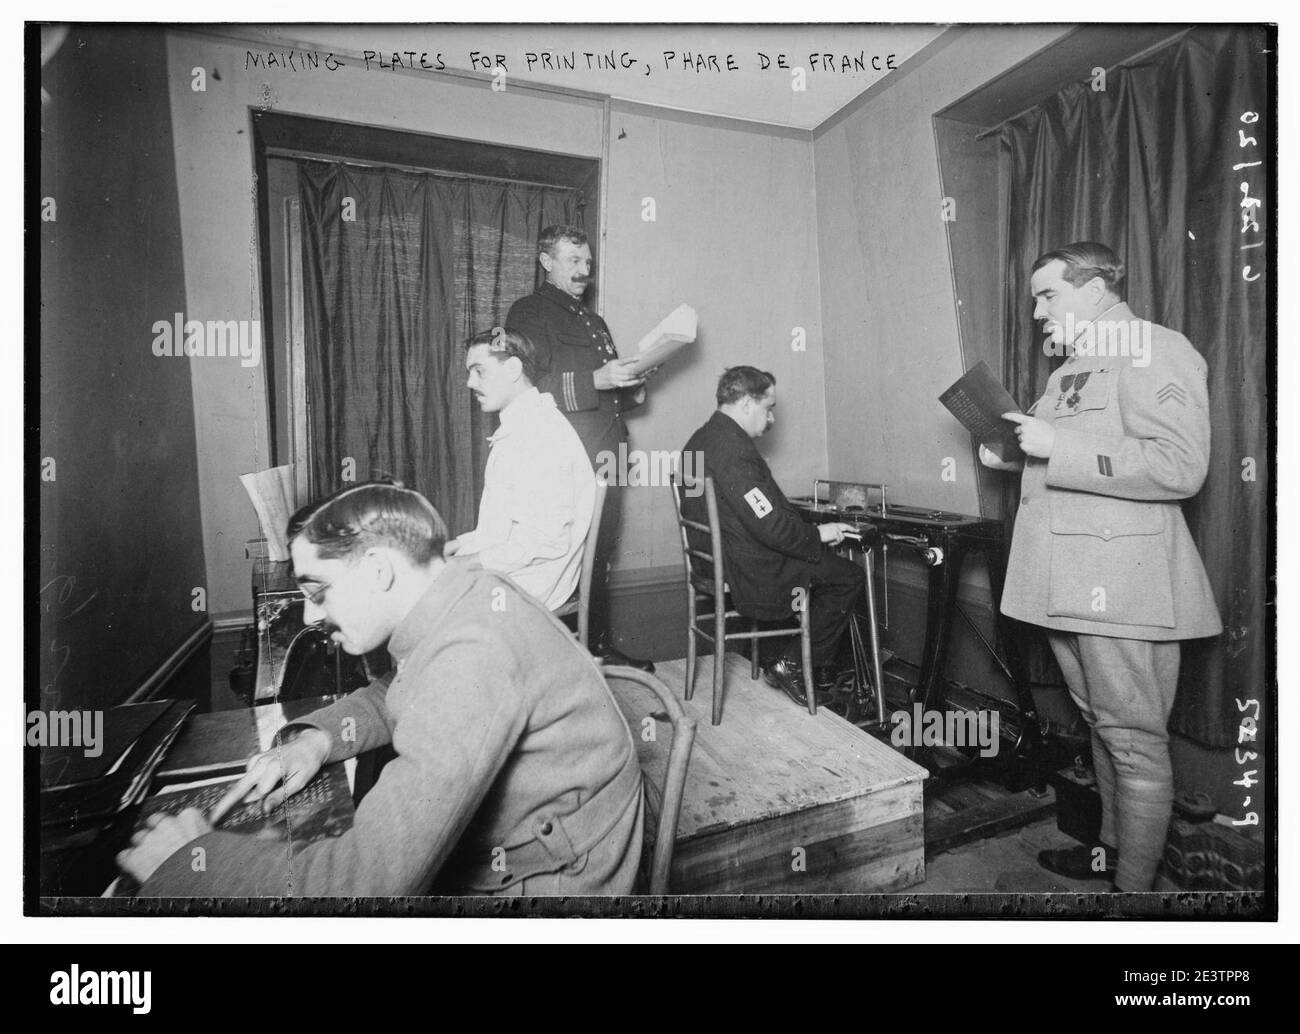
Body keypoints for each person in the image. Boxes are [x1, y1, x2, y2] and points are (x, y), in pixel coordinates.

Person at [117, 482, 644, 896]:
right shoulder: (460, 596)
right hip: (548, 838)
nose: (310, 614)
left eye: (317, 589)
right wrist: (315, 740)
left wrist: (191, 862)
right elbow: (406, 689)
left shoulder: (471, 657)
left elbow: (368, 884)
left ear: (376, 569)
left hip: (559, 882)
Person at [980, 241, 1221, 892]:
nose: (1035, 312)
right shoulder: (1069, 370)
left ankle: (1133, 904)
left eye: (1047, 295)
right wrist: (1017, 454)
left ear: (1094, 291)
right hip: (1063, 580)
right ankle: (1112, 857)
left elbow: (1179, 467)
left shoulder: (1154, 348)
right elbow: (1068, 456)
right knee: (1100, 726)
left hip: (1123, 583)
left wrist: (1059, 443)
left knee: (1135, 741)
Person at [506, 224, 654, 672]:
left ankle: (598, 644)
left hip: (609, 454)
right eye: (574, 261)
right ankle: (554, 658)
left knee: (601, 549)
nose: (584, 270)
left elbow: (612, 393)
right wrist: (597, 380)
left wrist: (634, 384)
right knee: (560, 553)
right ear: (546, 261)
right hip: (566, 459)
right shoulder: (530, 311)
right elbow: (526, 384)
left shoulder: (594, 321)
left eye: (587, 262)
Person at [680, 366, 864, 709]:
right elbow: (770, 525)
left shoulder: (700, 440)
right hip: (746, 568)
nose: (772, 419)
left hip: (713, 562)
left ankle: (789, 661)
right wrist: (819, 534)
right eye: (769, 408)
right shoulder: (733, 450)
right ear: (747, 403)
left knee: (820, 565)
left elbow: (752, 512)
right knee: (848, 576)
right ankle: (791, 665)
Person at [445, 327, 597, 611]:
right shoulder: (525, 423)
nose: (469, 382)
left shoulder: (539, 434)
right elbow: (503, 528)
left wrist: (463, 563)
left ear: (513, 368)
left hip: (533, 587)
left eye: (479, 371)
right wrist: (458, 545)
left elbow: (544, 541)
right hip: (520, 572)